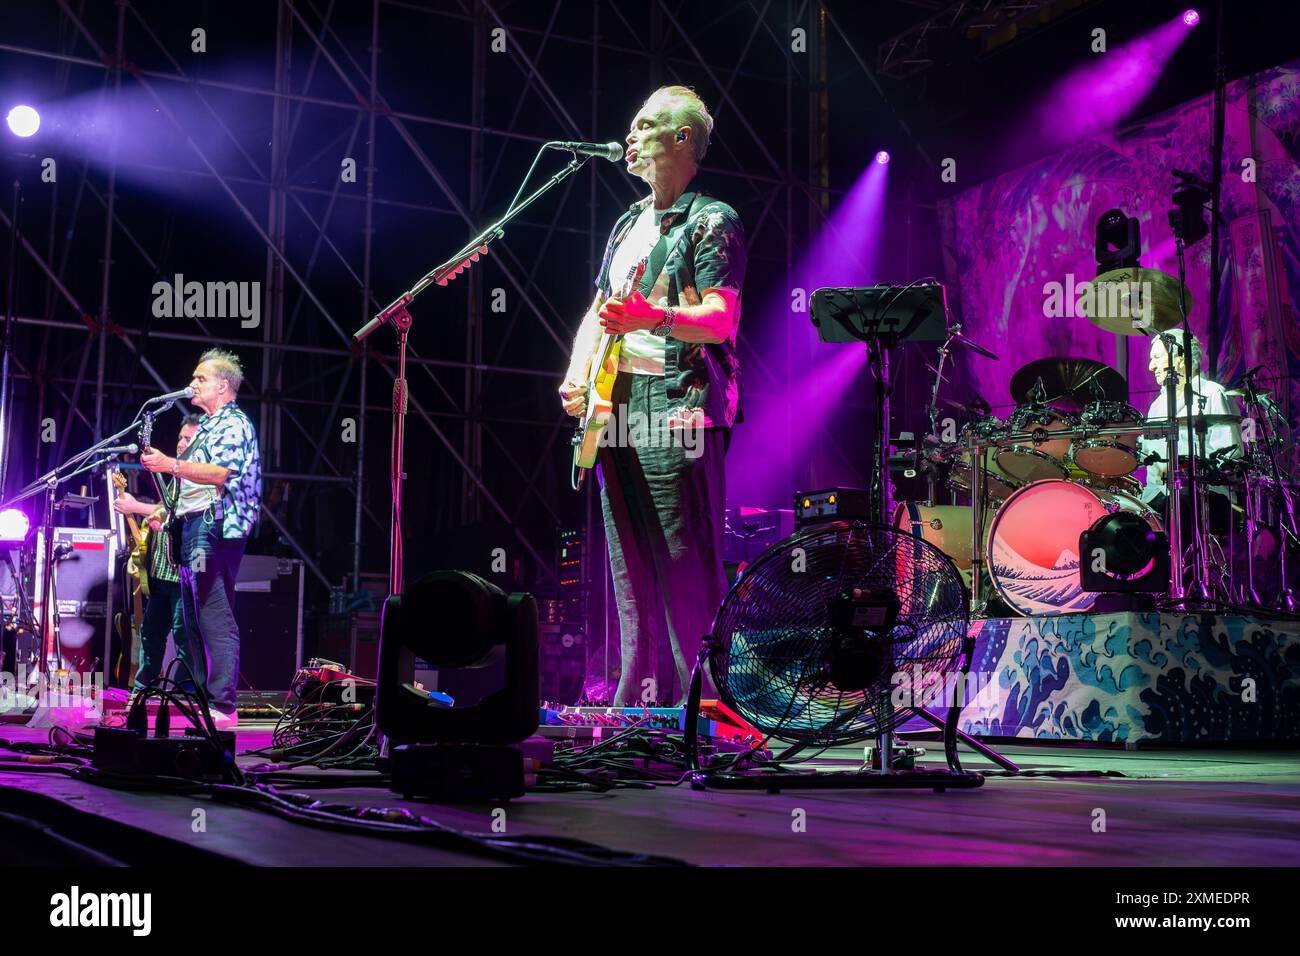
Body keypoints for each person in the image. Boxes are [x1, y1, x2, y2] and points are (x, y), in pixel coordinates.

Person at [558, 86, 746, 705]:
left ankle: (706, 707)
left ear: (682, 139)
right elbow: (599, 308)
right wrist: (578, 371)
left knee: (682, 559)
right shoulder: (625, 224)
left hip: (679, 401)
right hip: (616, 402)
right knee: (629, 564)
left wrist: (653, 318)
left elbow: (719, 319)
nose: (630, 136)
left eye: (644, 126)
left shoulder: (712, 219)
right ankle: (638, 705)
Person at [142, 350, 261, 728]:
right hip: (194, 526)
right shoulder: (209, 425)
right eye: (192, 378)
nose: (192, 384)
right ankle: (199, 696)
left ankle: (224, 705)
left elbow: (221, 474)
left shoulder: (233, 423)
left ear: (223, 386)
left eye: (201, 379)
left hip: (217, 528)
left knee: (213, 610)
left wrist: (171, 464)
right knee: (192, 613)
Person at [112, 414, 201, 696]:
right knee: (151, 634)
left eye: (188, 439)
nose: (181, 443)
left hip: (182, 573)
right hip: (161, 572)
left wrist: (136, 506)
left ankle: (187, 695)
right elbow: (166, 511)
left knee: (184, 637)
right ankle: (142, 691)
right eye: (180, 437)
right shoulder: (176, 478)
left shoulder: (198, 479)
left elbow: (178, 512)